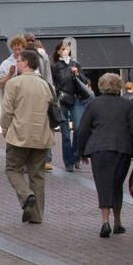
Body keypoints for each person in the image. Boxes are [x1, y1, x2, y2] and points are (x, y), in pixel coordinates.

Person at [75, 73, 133, 237]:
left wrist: (81, 151)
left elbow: (83, 129)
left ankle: (105, 221)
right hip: (122, 149)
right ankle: (118, 222)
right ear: (119, 86)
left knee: (103, 184)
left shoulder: (93, 104)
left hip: (99, 150)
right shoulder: (126, 105)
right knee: (116, 184)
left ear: (101, 85)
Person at [0, 50, 53, 224]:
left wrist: (5, 129)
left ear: (25, 63)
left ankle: (26, 195)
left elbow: (7, 110)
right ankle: (36, 215)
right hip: (41, 135)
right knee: (37, 175)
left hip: (19, 134)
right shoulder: (45, 85)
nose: (17, 63)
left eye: (19, 61)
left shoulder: (14, 83)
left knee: (12, 169)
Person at [52, 40, 92, 172]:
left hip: (75, 98)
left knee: (78, 129)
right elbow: (53, 83)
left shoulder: (76, 64)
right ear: (58, 52)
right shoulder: (56, 66)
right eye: (62, 49)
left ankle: (76, 156)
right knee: (65, 133)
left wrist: (77, 73)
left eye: (67, 49)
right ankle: (69, 162)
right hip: (62, 99)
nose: (65, 51)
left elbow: (84, 82)